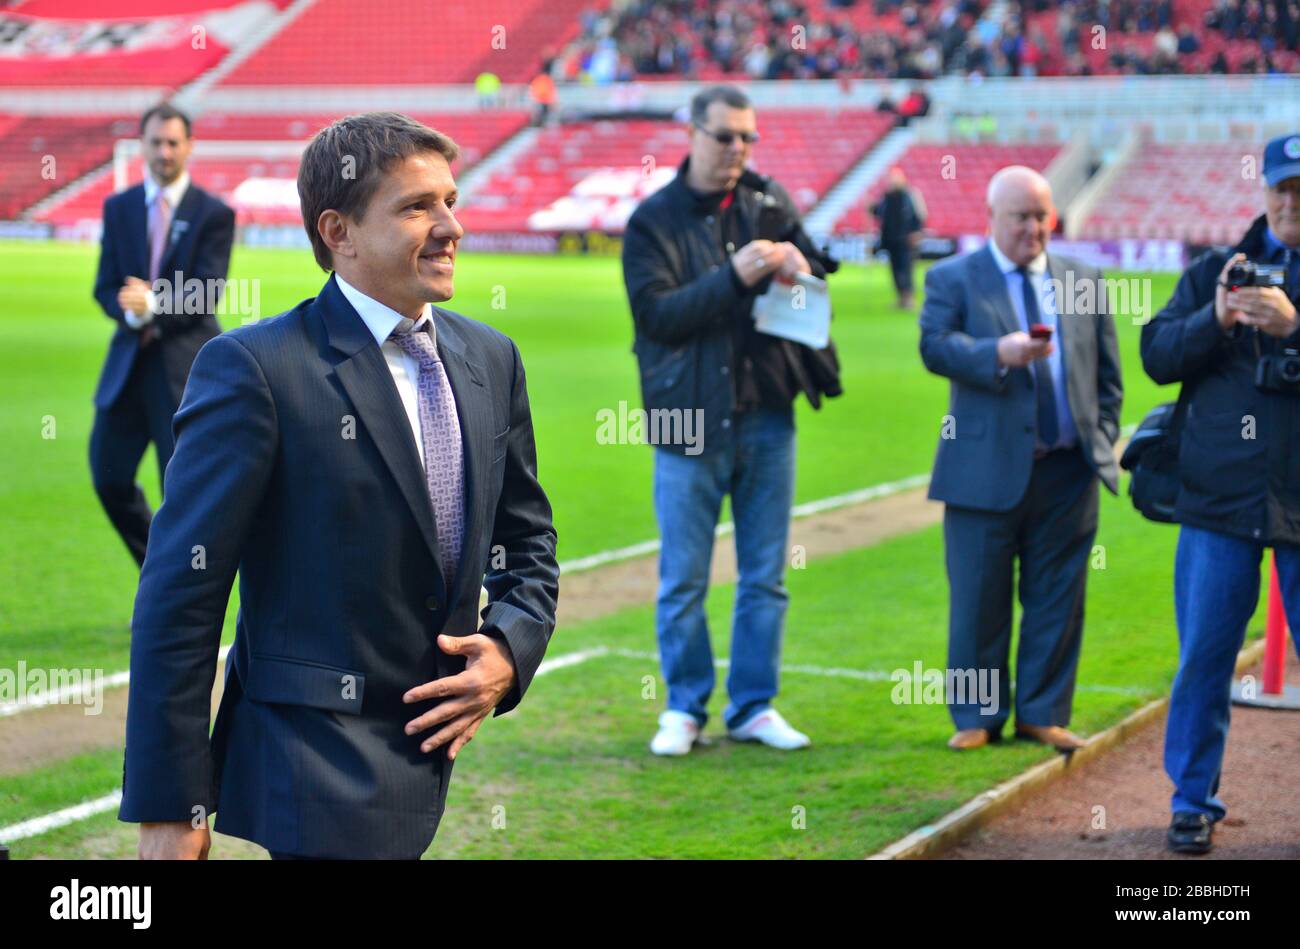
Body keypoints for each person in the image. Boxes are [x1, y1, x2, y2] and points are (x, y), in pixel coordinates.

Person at [118, 112, 559, 859]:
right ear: (339, 232)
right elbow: (179, 596)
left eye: (450, 200)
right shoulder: (254, 369)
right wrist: (173, 800)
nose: (451, 225)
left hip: (430, 761)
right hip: (311, 769)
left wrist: (510, 648)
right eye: (418, 206)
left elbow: (528, 539)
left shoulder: (492, 357)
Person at [621, 85, 842, 757]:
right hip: (689, 421)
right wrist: (734, 276)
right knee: (684, 576)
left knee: (766, 575)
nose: (738, 149)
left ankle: (752, 705)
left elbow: (823, 267)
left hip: (769, 414)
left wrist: (804, 264)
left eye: (748, 137)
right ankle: (684, 707)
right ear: (691, 133)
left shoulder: (768, 200)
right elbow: (657, 318)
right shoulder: (652, 222)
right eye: (725, 137)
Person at [919, 165, 1123, 753]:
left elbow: (1107, 377)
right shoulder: (954, 277)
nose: (1033, 228)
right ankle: (977, 718)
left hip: (1067, 470)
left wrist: (1100, 437)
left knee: (1058, 597)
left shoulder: (1084, 279)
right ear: (992, 218)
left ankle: (1042, 712)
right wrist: (997, 353)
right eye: (1020, 217)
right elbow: (934, 346)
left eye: (1041, 216)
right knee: (978, 600)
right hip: (981, 471)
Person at [1140, 133, 1300, 855]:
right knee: (1205, 653)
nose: (1293, 199)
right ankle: (1192, 800)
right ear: (1264, 189)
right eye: (1284, 186)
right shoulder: (1216, 268)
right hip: (1218, 501)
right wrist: (1218, 317)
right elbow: (1156, 355)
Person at [91, 103, 235, 567]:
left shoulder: (214, 213)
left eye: (173, 142)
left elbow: (207, 292)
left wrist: (152, 304)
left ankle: (175, 596)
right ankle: (156, 570)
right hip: (128, 365)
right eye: (156, 142)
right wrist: (131, 314)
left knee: (182, 491)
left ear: (189, 147)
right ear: (142, 146)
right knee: (107, 477)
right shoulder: (119, 207)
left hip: (185, 370)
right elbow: (105, 285)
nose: (164, 151)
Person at [873, 166, 926, 309]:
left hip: (906, 239)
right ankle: (900, 298)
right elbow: (879, 213)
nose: (892, 181)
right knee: (895, 269)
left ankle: (909, 297)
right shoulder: (886, 197)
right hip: (890, 239)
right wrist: (870, 208)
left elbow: (920, 215)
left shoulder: (911, 195)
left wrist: (917, 232)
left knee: (906, 268)